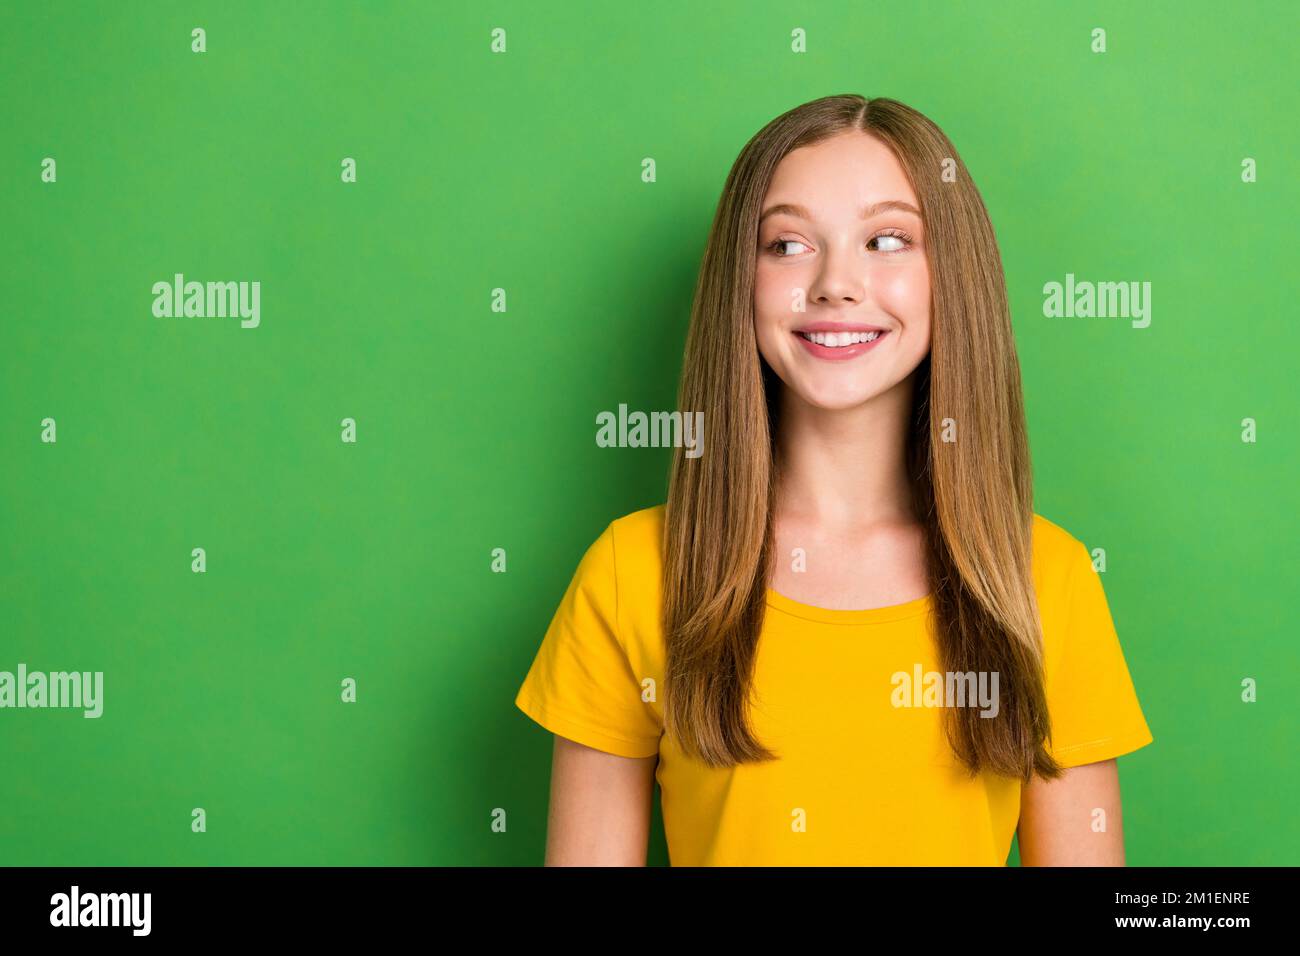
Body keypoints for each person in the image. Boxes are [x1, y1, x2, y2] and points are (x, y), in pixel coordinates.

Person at [514, 94, 1154, 866]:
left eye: (887, 240)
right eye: (787, 244)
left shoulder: (1046, 581)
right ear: (740, 282)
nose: (834, 284)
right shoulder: (634, 573)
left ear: (951, 276)